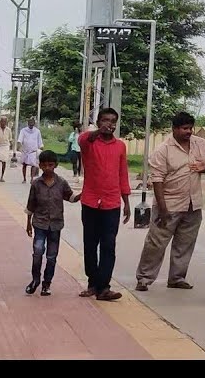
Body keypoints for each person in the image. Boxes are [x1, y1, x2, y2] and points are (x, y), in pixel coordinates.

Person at [134, 111, 205, 291]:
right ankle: (144, 278)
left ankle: (177, 278)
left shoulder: (200, 144)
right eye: (184, 128)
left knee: (185, 243)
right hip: (169, 204)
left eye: (190, 128)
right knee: (156, 243)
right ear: (174, 129)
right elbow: (157, 181)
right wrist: (163, 210)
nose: (188, 132)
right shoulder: (163, 150)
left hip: (193, 204)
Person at [78, 107, 130, 301]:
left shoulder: (120, 146)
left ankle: (104, 287)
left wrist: (126, 202)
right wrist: (98, 131)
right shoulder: (89, 142)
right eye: (106, 120)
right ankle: (93, 283)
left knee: (108, 246)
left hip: (112, 203)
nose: (110, 124)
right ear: (99, 122)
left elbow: (122, 173)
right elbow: (83, 139)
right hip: (91, 201)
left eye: (113, 121)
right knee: (90, 244)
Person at [25, 150, 81, 296]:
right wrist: (28, 223)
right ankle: (35, 279)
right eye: (45, 165)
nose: (48, 168)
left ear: (55, 165)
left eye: (51, 165)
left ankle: (46, 284)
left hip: (55, 225)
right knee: (37, 252)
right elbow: (31, 204)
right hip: (39, 224)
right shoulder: (36, 184)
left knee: (52, 256)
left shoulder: (61, 183)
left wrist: (83, 194)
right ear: (40, 166)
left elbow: (70, 197)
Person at [19, 117, 43, 183]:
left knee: (34, 165)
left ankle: (32, 178)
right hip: (25, 150)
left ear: (34, 124)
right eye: (30, 124)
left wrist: (41, 147)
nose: (31, 126)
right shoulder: (23, 130)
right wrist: (20, 146)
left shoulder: (37, 131)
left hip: (33, 151)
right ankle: (24, 178)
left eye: (32, 124)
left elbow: (39, 140)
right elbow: (20, 140)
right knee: (24, 164)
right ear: (28, 124)